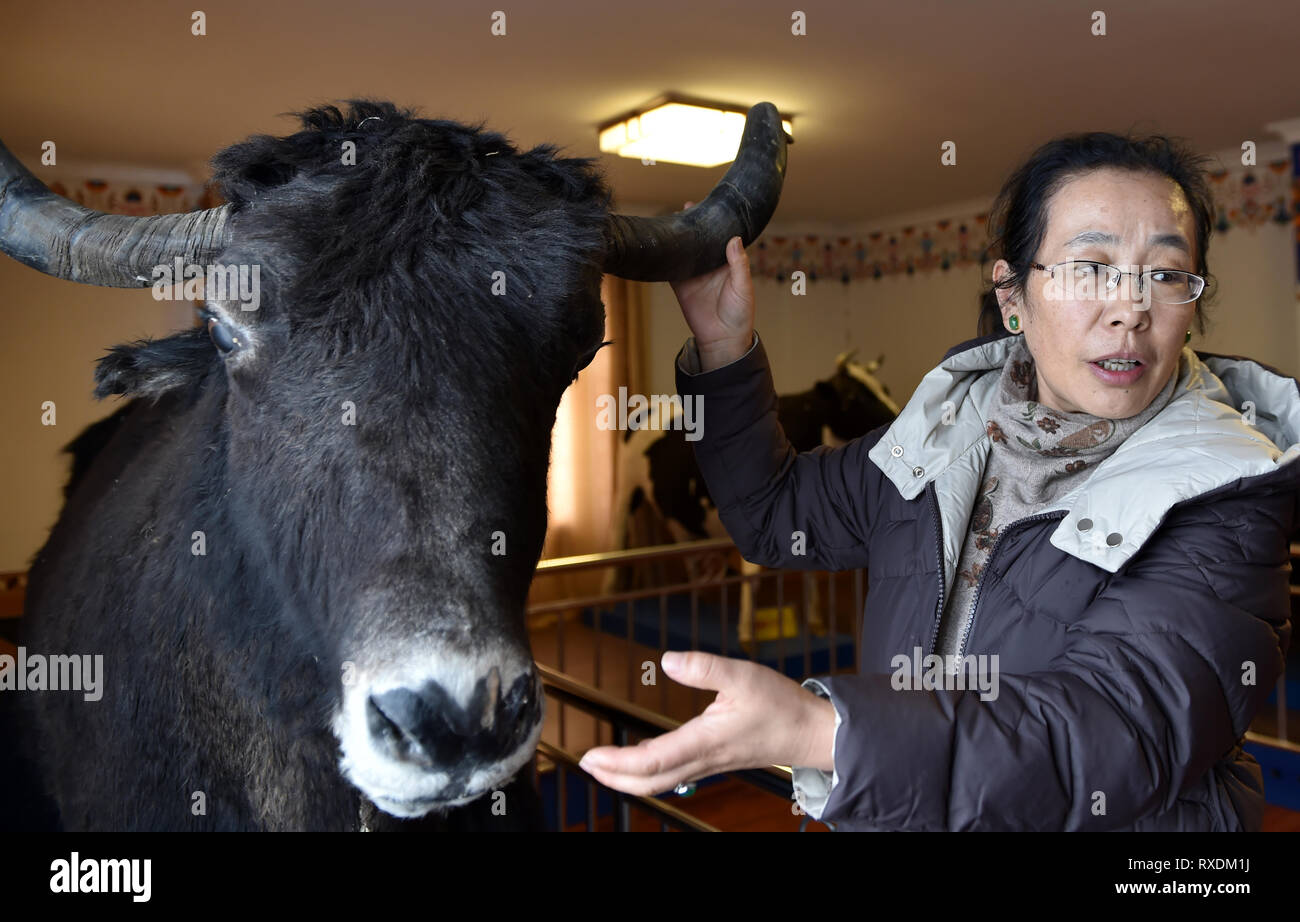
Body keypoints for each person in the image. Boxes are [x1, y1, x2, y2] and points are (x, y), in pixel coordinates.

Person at [578, 132, 1299, 831]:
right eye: (1091, 267)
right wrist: (722, 344)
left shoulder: (1227, 488)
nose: (1132, 307)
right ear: (1013, 295)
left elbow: (1110, 735)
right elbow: (774, 511)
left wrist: (825, 732)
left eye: (1166, 275)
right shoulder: (945, 435)